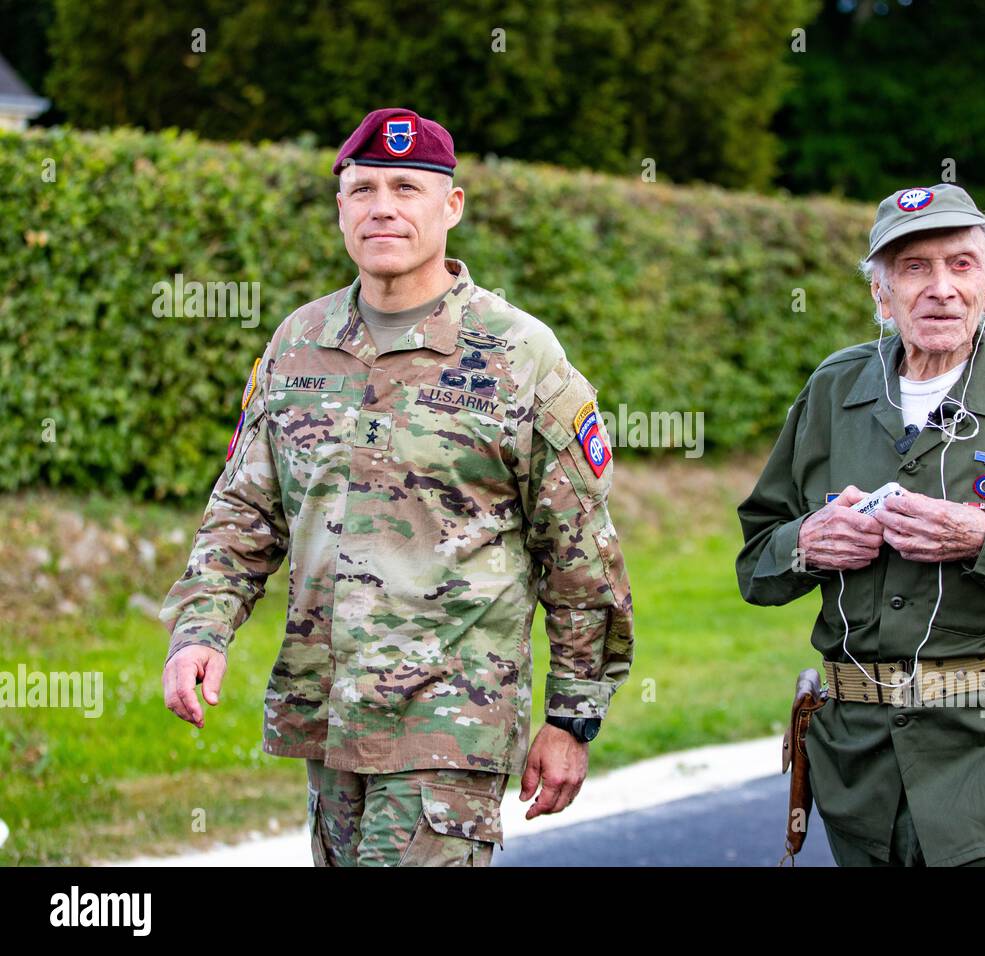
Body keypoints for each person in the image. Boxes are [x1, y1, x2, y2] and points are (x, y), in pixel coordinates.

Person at [159, 107, 634, 867]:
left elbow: (578, 551)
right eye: (364, 189)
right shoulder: (298, 344)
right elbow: (244, 512)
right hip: (328, 715)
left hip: (452, 721)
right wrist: (200, 631)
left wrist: (573, 718)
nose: (383, 207)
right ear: (340, 209)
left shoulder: (517, 353)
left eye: (407, 188)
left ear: (452, 206)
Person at [737, 183, 985, 867]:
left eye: (962, 264)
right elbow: (756, 563)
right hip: (859, 776)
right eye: (914, 268)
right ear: (882, 293)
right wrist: (805, 544)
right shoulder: (833, 389)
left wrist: (984, 541)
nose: (941, 288)